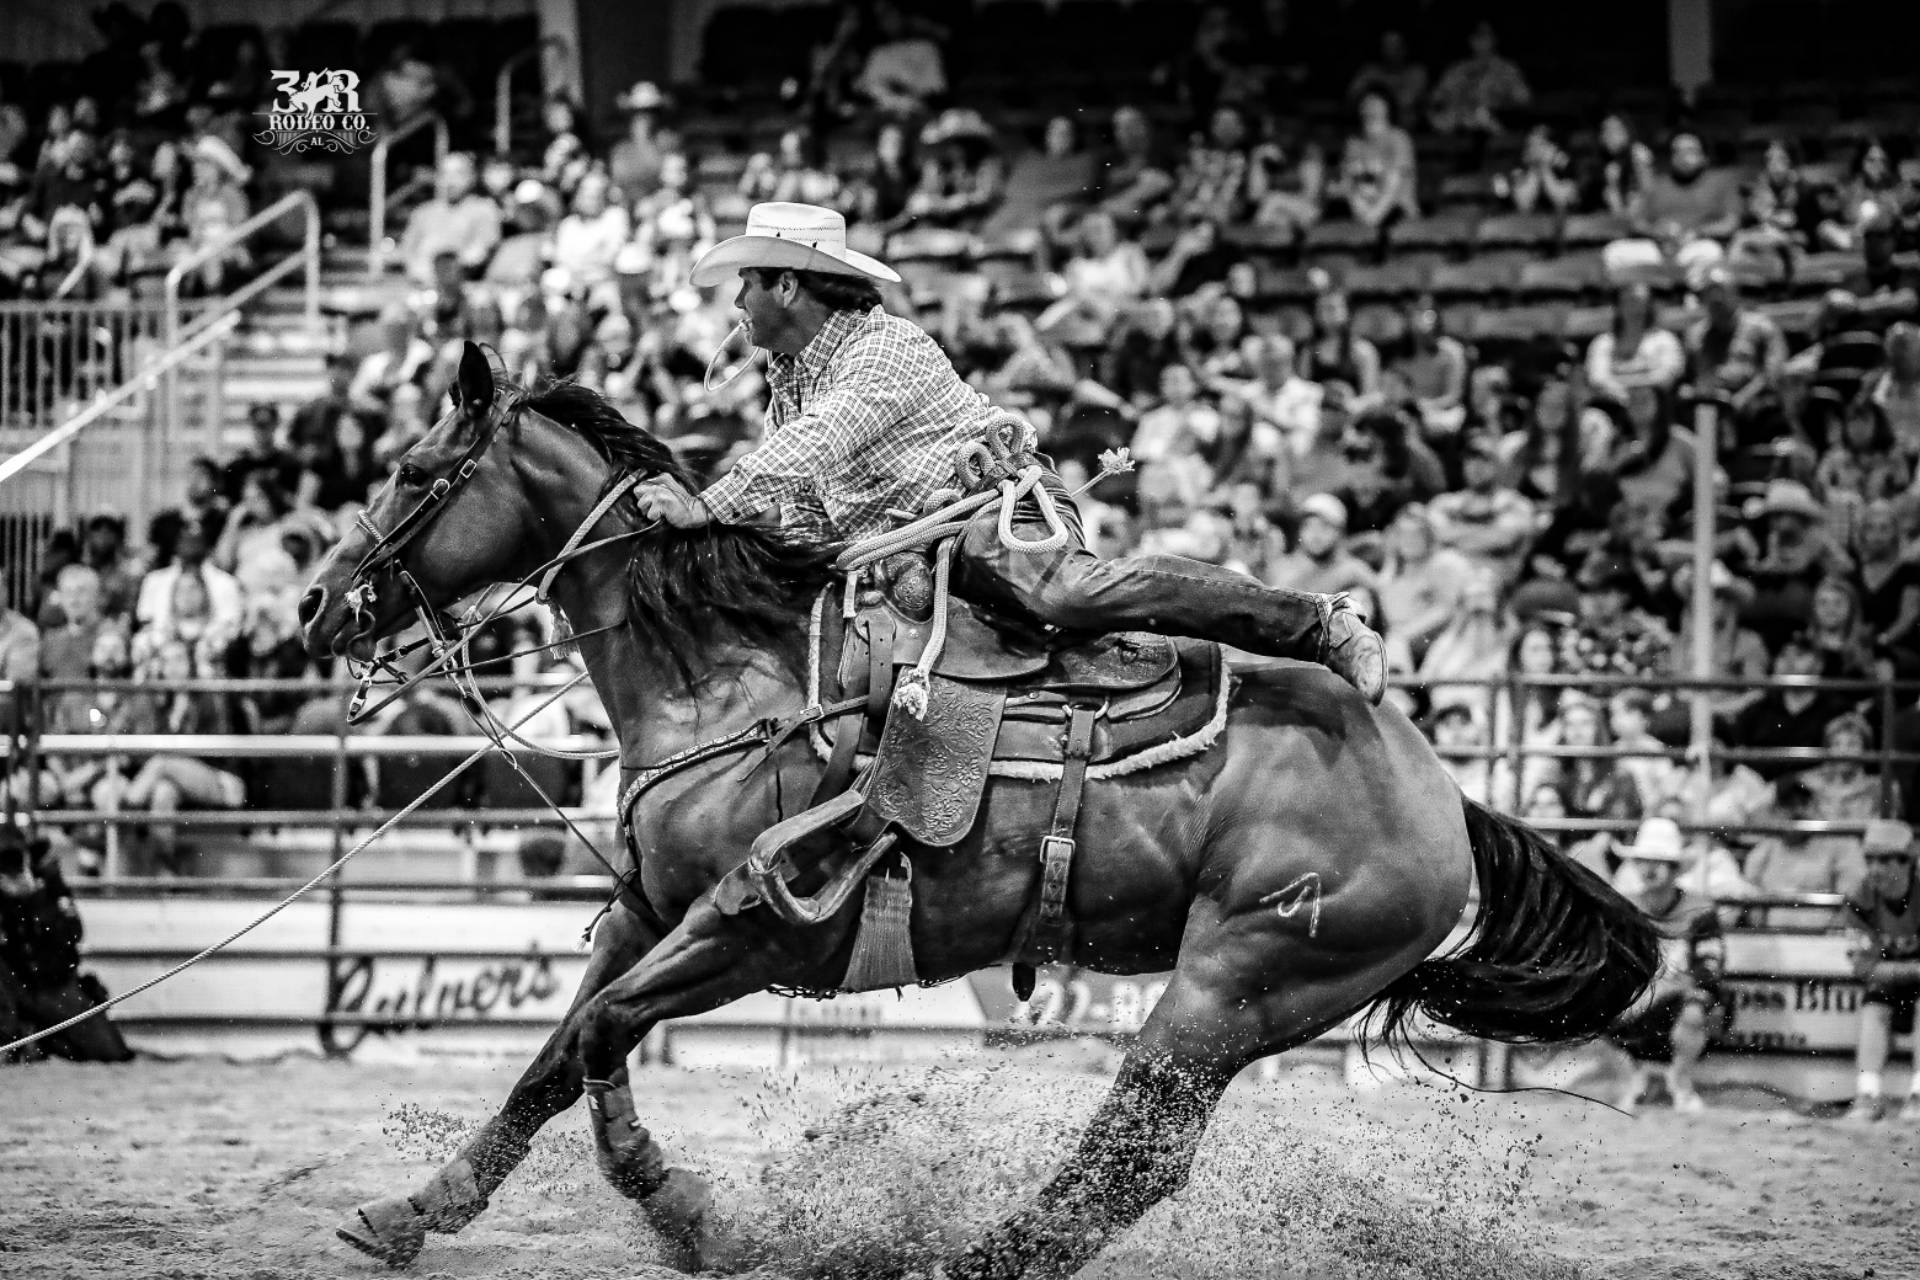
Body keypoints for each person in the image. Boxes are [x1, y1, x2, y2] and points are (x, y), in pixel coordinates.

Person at [641, 202, 1387, 701]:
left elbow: (813, 447)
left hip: (991, 510)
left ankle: (1316, 623)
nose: (737, 304)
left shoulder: (887, 348)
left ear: (788, 284)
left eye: (747, 284)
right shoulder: (792, 382)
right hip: (900, 555)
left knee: (1065, 594)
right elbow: (792, 496)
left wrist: (704, 507)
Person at [1607, 817, 1729, 1115]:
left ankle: (1680, 1079)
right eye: (1643, 861)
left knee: (1697, 1005)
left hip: (1681, 1001)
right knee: (1599, 1005)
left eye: (1658, 861)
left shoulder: (1699, 911)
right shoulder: (1623, 908)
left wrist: (1661, 989)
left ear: (1675, 868)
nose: (1649, 869)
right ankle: (1636, 1077)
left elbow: (1709, 970)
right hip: (1640, 1001)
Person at [0, 824, 134, 1062]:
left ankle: (48, 1042)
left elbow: (72, 933)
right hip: (12, 987)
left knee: (112, 1054)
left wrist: (33, 899)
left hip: (55, 986)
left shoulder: (48, 882)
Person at [1841, 819, 1920, 1123]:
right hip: (1894, 976)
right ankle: (1868, 1095)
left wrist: (1888, 969)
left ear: (1907, 861)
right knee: (1875, 1005)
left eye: (1885, 860)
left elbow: (1873, 966)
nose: (1875, 870)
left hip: (1895, 971)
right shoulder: (1859, 897)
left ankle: (1917, 1095)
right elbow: (1864, 967)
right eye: (1870, 860)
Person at [396, 153, 502, 286]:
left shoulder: (484, 208)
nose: (451, 181)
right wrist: (418, 270)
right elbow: (408, 250)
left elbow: (481, 250)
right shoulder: (422, 212)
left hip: (462, 286)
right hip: (420, 284)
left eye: (458, 173)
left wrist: (446, 273)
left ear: (472, 177)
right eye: (445, 174)